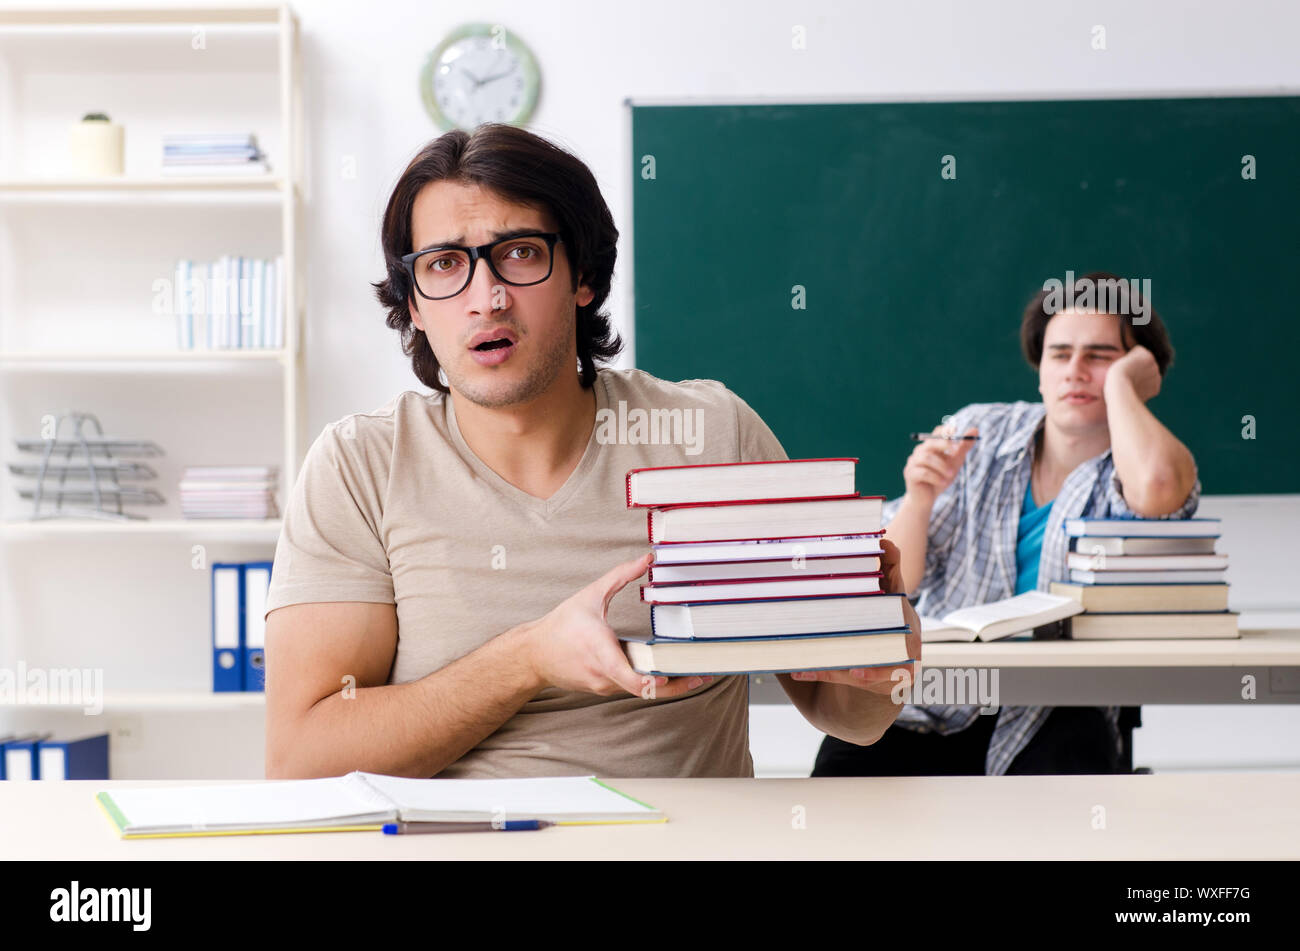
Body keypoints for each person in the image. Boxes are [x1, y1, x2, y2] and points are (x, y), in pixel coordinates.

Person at [263, 123, 919, 780]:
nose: (485, 298)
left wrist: (882, 656)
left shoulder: (714, 437)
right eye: (444, 265)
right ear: (414, 303)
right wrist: (529, 659)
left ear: (582, 274)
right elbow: (301, 760)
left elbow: (849, 717)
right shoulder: (359, 467)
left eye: (519, 253)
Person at [813, 271, 1199, 777]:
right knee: (838, 796)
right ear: (1039, 369)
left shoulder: (1139, 464)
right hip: (931, 701)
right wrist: (921, 498)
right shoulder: (981, 432)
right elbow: (894, 581)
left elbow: (1157, 490)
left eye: (1100, 356)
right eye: (1060, 354)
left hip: (1053, 712)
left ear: (1139, 369)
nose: (1075, 371)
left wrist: (1124, 390)